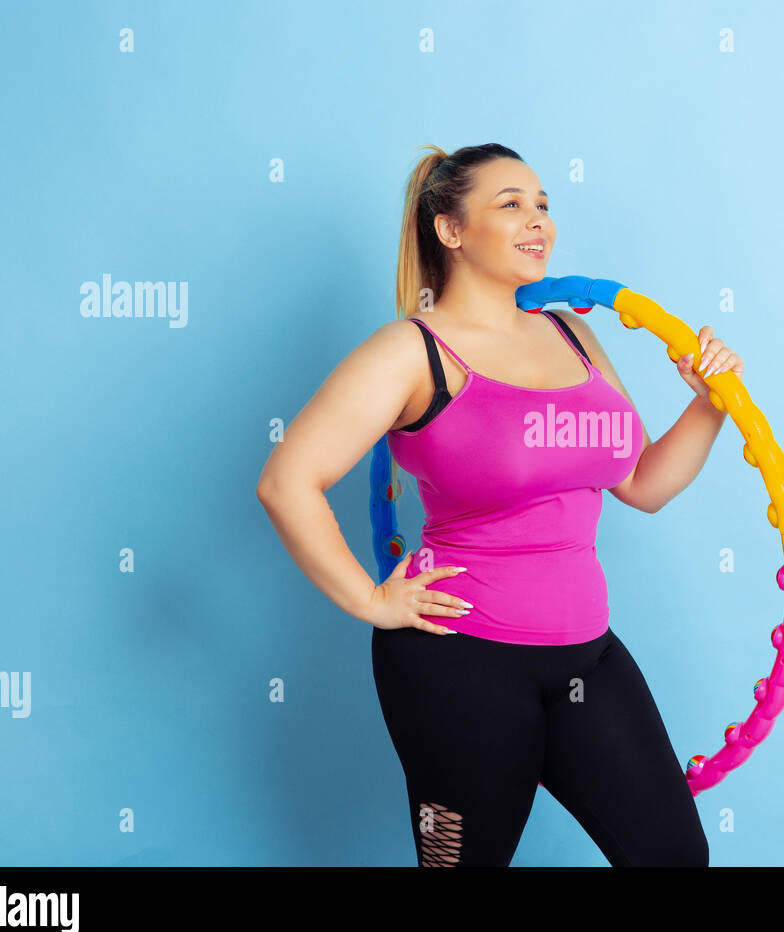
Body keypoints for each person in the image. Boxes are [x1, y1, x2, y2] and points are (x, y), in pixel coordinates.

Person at [256, 143, 744, 866]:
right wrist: (370, 598)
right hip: (457, 663)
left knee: (673, 856)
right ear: (450, 231)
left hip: (589, 655)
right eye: (510, 203)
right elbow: (286, 481)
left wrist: (708, 406)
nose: (538, 220)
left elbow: (643, 482)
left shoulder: (572, 333)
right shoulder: (411, 352)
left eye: (543, 203)